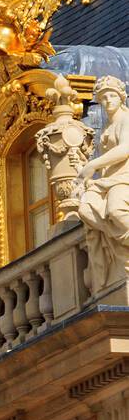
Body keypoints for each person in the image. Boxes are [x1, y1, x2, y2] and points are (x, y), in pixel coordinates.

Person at [78, 75, 129, 291]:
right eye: (103, 97)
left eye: (112, 96)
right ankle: (114, 235)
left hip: (124, 178)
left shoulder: (126, 120)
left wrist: (92, 166)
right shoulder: (108, 127)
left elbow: (125, 149)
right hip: (109, 180)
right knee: (86, 208)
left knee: (116, 210)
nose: (107, 100)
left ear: (121, 98)